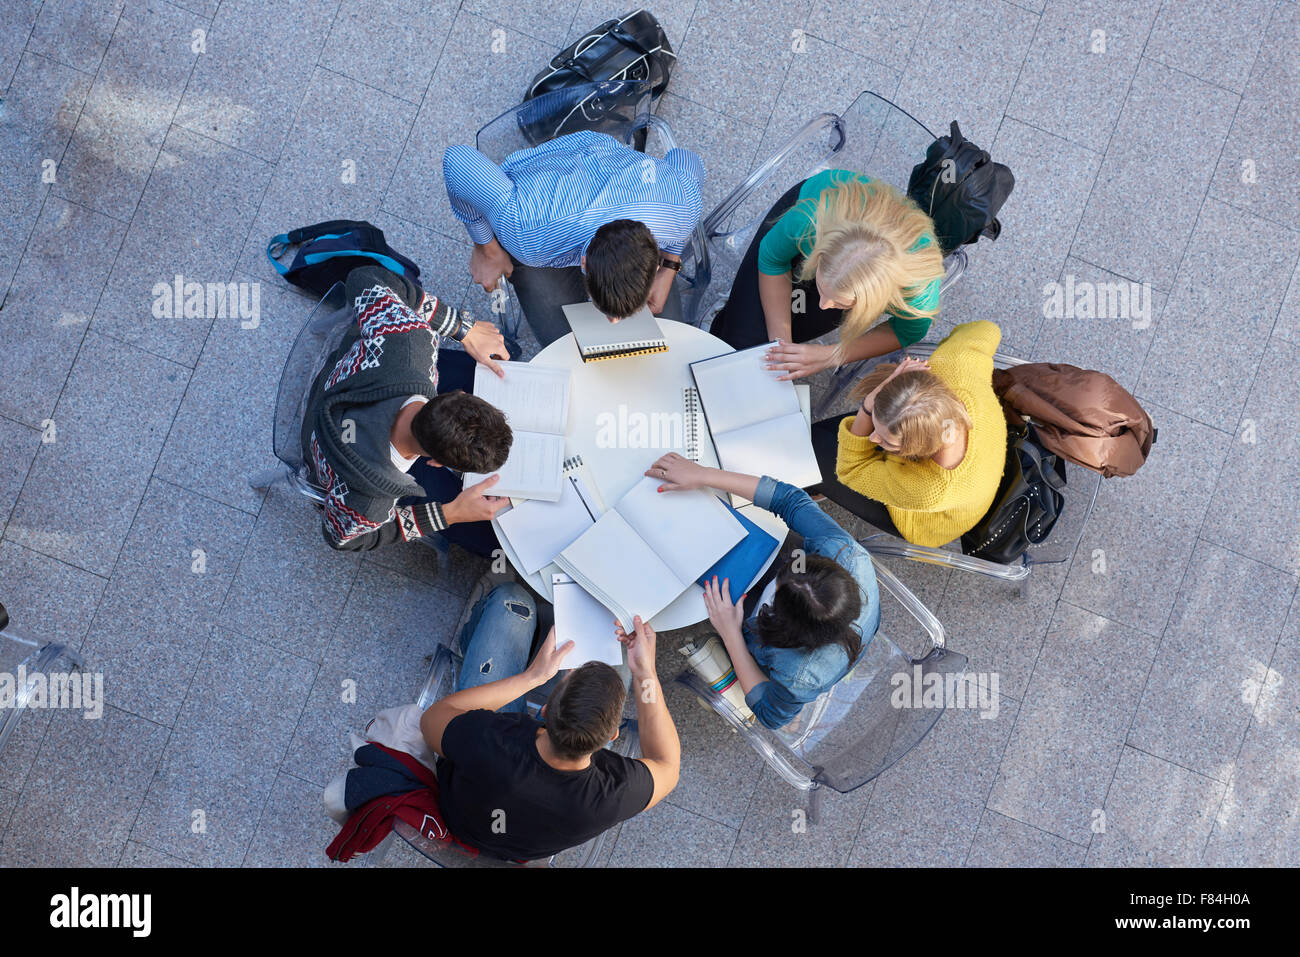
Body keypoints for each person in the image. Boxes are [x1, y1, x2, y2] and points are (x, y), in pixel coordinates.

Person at [418, 585, 680, 862]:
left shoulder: (486, 739)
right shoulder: (611, 795)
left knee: (512, 600)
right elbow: (667, 764)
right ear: (610, 736)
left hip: (455, 812)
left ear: (544, 710)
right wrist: (645, 672)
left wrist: (532, 678)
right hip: (519, 849)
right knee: (619, 654)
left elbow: (433, 718)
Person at [644, 454, 881, 730]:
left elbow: (770, 716)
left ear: (782, 623)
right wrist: (703, 474)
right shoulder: (849, 556)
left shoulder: (796, 677)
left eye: (778, 591)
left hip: (757, 634)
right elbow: (790, 500)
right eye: (795, 568)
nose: (779, 577)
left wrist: (730, 634)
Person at [301, 264, 515, 556]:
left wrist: (460, 328)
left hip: (344, 381)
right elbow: (342, 539)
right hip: (321, 445)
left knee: (508, 352)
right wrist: (449, 514)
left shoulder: (411, 340)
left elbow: (363, 276)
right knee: (489, 537)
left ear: (457, 393)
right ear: (438, 464)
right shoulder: (370, 501)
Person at [442, 130, 706, 347]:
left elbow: (687, 160)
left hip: (606, 170)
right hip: (550, 186)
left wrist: (671, 265)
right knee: (562, 342)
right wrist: (485, 247)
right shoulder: (526, 228)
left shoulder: (682, 207)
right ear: (584, 263)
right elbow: (457, 160)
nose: (613, 322)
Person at [707, 170, 945, 381]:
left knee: (797, 327)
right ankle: (723, 318)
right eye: (822, 289)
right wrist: (781, 344)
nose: (824, 305)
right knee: (742, 341)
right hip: (811, 219)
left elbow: (908, 330)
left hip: (843, 267)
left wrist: (830, 356)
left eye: (839, 302)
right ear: (818, 255)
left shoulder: (918, 288)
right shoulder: (809, 219)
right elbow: (772, 260)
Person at [810, 320, 1007, 548]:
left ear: (917, 451)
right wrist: (875, 404)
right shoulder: (954, 365)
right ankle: (815, 486)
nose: (874, 439)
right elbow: (988, 329)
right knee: (817, 439)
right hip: (982, 462)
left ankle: (810, 487)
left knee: (811, 454)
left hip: (926, 519)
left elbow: (850, 470)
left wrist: (866, 407)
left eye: (886, 442)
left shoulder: (930, 490)